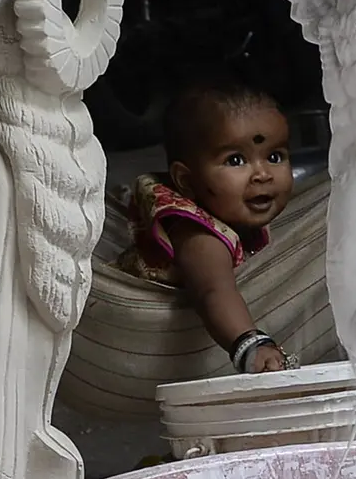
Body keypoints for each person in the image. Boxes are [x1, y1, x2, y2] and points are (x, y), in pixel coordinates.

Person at [122, 78, 298, 373]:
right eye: (236, 160)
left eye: (274, 156)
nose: (262, 174)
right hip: (139, 337)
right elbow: (214, 291)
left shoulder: (232, 216)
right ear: (188, 181)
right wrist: (250, 344)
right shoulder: (200, 236)